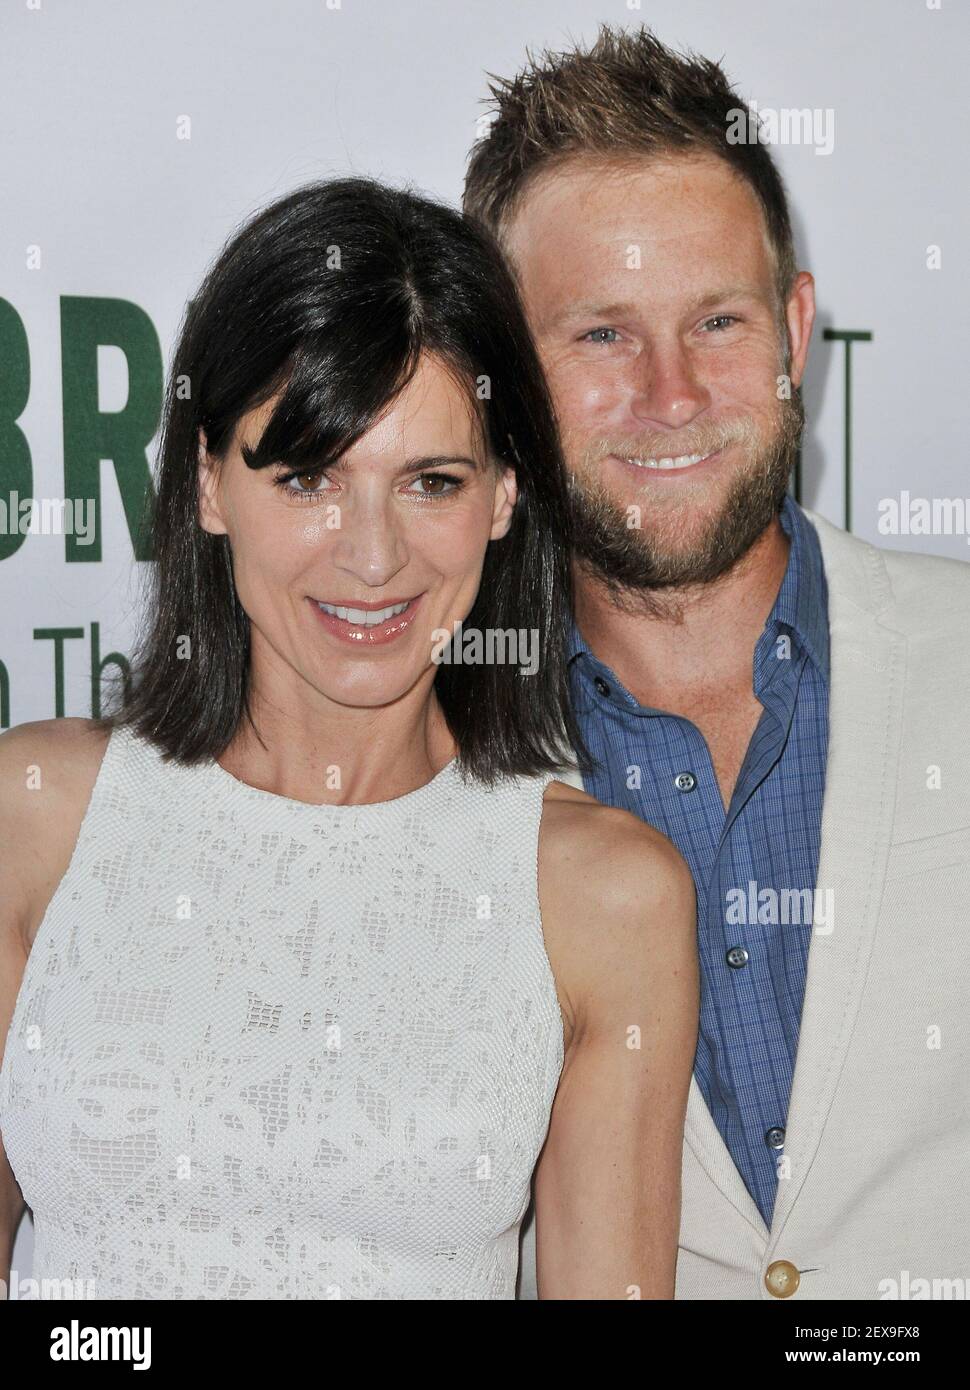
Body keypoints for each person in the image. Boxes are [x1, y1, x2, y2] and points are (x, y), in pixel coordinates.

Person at [0, 176, 697, 1300]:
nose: (372, 557)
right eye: (310, 475)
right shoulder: (33, 816)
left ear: (507, 495)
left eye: (430, 480)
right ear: (209, 483)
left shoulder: (602, 897)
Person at [463, 25, 970, 1300]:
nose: (672, 394)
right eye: (599, 336)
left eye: (718, 320)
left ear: (795, 329)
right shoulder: (422, 765)